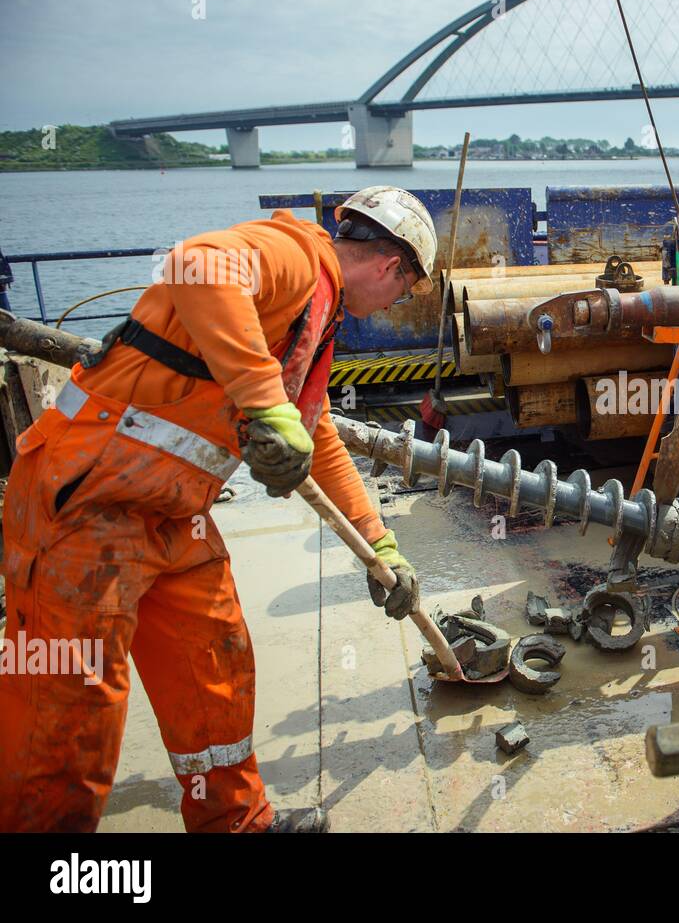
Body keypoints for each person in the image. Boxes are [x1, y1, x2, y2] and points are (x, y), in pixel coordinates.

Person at [0, 186, 436, 832]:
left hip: (173, 517)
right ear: (391, 266)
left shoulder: (320, 319)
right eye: (401, 293)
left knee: (216, 678)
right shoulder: (295, 256)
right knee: (67, 726)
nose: (391, 306)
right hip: (87, 502)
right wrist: (264, 402)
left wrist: (381, 545)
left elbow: (314, 438)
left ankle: (236, 824)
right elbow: (194, 266)